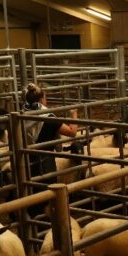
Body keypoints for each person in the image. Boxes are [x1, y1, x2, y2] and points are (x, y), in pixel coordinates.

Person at [22, 83, 79, 216]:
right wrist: (74, 115)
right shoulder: (48, 118)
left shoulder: (22, 114)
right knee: (47, 193)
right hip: (45, 161)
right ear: (42, 99)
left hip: (26, 159)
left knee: (30, 193)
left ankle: (33, 223)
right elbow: (72, 132)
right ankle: (46, 222)